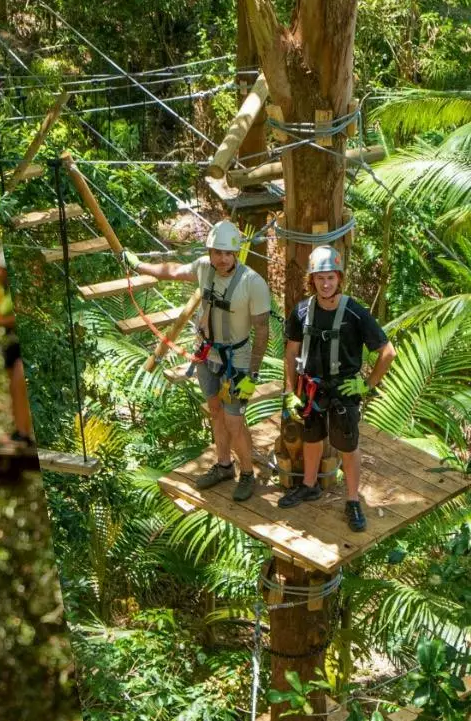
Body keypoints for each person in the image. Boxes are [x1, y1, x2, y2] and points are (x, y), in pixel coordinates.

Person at [123, 221, 270, 501]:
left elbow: (262, 330)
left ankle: (247, 473)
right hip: (206, 354)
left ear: (236, 253)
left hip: (237, 360)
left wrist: (252, 374)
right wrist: (139, 266)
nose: (222, 259)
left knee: (234, 420)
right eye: (217, 252)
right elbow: (173, 271)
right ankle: (224, 465)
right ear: (210, 252)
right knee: (215, 410)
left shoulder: (253, 283)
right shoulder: (204, 268)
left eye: (227, 253)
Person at [279, 245, 394, 532]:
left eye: (330, 277)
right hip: (311, 388)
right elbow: (291, 352)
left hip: (344, 390)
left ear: (339, 278)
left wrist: (366, 384)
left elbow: (387, 352)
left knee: (347, 445)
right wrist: (291, 392)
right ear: (312, 280)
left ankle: (353, 500)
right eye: (320, 278)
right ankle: (309, 485)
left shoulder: (354, 313)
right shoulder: (302, 311)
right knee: (312, 437)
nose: (325, 283)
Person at [0, 258, 35, 446]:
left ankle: (25, 432)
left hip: (20, 343)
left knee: (20, 385)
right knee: (14, 389)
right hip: (9, 345)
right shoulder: (0, 291)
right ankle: (21, 431)